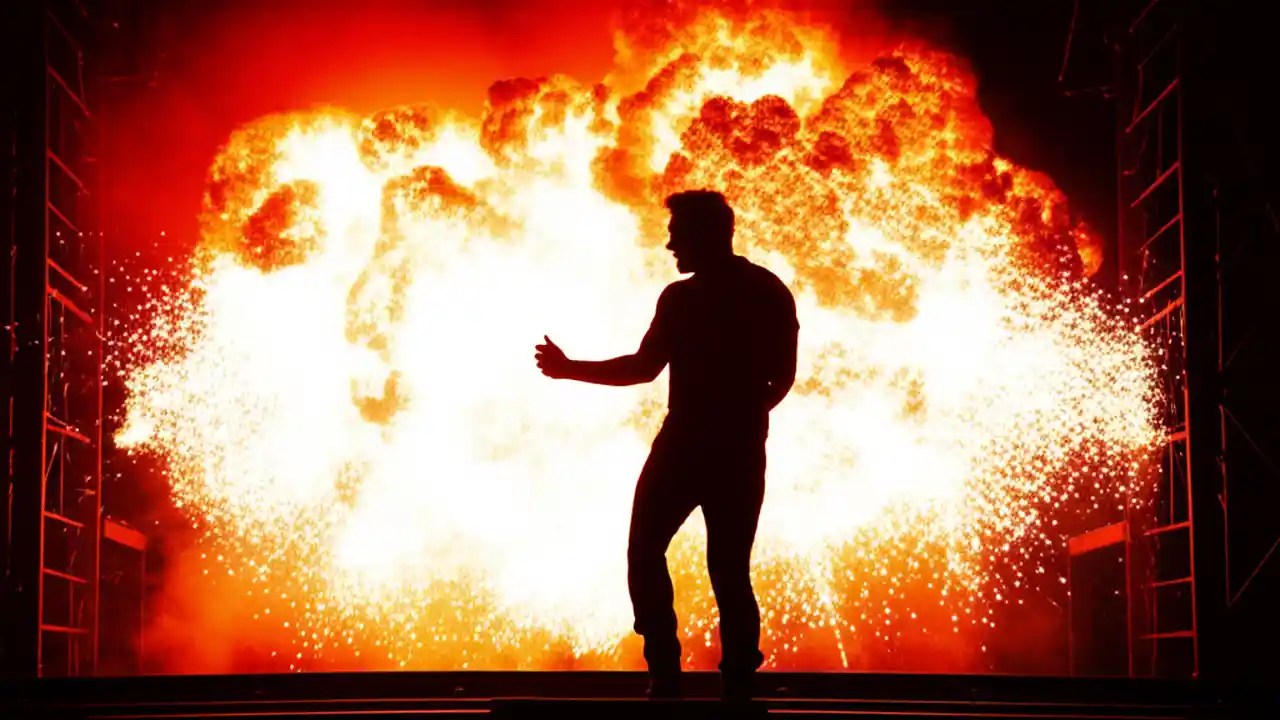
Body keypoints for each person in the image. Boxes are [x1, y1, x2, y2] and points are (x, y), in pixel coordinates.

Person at [534, 190, 799, 700]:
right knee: (728, 568)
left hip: (685, 446)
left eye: (678, 233)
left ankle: (667, 676)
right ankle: (737, 680)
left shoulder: (684, 299)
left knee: (650, 552)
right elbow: (782, 378)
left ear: (705, 234)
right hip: (735, 449)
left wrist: (571, 371)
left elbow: (642, 368)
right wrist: (746, 418)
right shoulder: (767, 290)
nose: (670, 244)